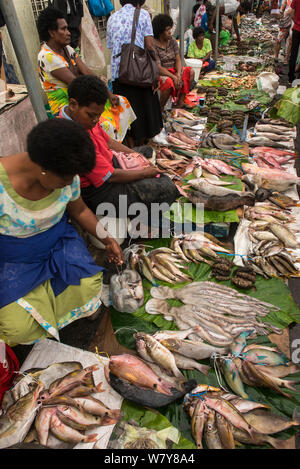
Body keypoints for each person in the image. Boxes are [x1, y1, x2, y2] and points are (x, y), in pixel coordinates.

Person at [0, 118, 123, 346]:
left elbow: (80, 210)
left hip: (58, 244)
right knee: (18, 331)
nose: (70, 183)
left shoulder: (67, 176)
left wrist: (108, 240)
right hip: (14, 261)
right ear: (42, 168)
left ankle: (54, 313)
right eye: (65, 179)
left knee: (89, 285)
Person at [60, 75, 180, 231]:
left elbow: (109, 142)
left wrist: (137, 156)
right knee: (167, 187)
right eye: (92, 115)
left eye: (99, 115)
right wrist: (145, 173)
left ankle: (143, 210)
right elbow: (110, 176)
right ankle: (146, 223)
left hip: (110, 163)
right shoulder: (74, 139)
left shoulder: (84, 120)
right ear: (73, 104)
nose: (96, 120)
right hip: (99, 192)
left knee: (146, 151)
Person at [37, 6, 136, 143]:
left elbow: (86, 72)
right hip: (67, 107)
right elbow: (76, 84)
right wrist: (104, 92)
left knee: (121, 102)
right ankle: (111, 151)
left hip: (82, 99)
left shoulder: (67, 48)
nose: (69, 32)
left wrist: (108, 92)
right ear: (52, 32)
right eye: (63, 29)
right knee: (104, 123)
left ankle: (120, 147)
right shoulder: (47, 57)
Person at [106, 0, 163, 146]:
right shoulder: (143, 15)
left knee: (126, 111)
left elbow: (111, 46)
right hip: (139, 71)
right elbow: (149, 45)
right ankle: (142, 146)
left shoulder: (112, 18)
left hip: (119, 73)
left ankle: (131, 146)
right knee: (144, 109)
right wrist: (156, 70)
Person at [152, 13, 195, 110]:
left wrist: (178, 74)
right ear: (160, 32)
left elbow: (178, 59)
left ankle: (180, 102)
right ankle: (160, 109)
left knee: (190, 72)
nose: (170, 32)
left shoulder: (172, 41)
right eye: (167, 30)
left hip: (174, 71)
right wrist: (173, 77)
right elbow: (158, 68)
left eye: (170, 29)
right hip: (162, 72)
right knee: (168, 82)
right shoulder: (153, 45)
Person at [288, 0, 300, 83]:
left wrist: (296, 21)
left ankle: (291, 77)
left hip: (296, 29)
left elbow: (291, 13)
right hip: (296, 28)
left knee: (293, 54)